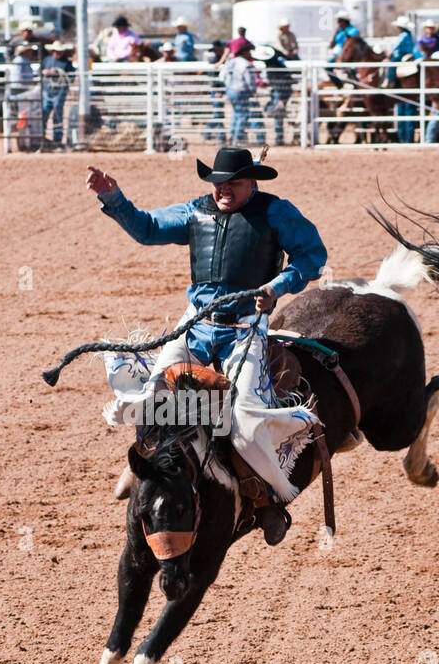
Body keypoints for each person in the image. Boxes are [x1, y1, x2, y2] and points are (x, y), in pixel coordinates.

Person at [86, 147, 329, 544]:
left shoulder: (276, 213)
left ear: (253, 182)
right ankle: (146, 462)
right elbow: (147, 228)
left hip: (245, 327)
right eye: (218, 182)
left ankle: (269, 496)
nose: (223, 189)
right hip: (196, 324)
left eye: (232, 182)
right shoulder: (194, 211)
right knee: (151, 395)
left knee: (246, 416)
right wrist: (113, 197)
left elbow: (312, 256)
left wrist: (277, 287)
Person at [384, 14, 420, 144]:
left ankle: (390, 80)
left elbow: (396, 46)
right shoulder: (410, 36)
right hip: (410, 55)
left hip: (401, 55)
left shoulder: (403, 36)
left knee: (392, 64)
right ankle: (407, 138)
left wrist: (389, 53)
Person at [220, 41, 263, 145]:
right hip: (241, 91)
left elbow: (222, 77)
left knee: (236, 114)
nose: (250, 54)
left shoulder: (230, 62)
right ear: (244, 52)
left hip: (231, 90)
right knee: (242, 115)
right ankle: (237, 139)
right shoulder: (246, 64)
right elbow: (249, 80)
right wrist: (253, 90)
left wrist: (228, 87)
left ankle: (232, 135)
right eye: (249, 52)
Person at [256, 45, 293, 144]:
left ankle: (279, 138)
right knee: (275, 112)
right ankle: (279, 137)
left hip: (280, 91)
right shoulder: (279, 64)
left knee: (277, 114)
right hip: (282, 91)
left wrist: (281, 99)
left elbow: (279, 84)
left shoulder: (273, 68)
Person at [40, 40, 74, 147]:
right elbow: (39, 71)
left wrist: (58, 73)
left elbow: (71, 77)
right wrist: (45, 72)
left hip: (59, 92)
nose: (57, 53)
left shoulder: (66, 63)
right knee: (44, 112)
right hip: (47, 90)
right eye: (55, 51)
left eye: (59, 51)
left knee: (58, 115)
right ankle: (42, 137)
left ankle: (57, 139)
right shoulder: (47, 60)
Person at [201, 40, 227, 141]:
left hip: (220, 89)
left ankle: (210, 133)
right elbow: (212, 77)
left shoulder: (220, 61)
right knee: (218, 114)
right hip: (217, 90)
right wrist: (218, 90)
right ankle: (219, 136)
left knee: (218, 113)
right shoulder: (214, 61)